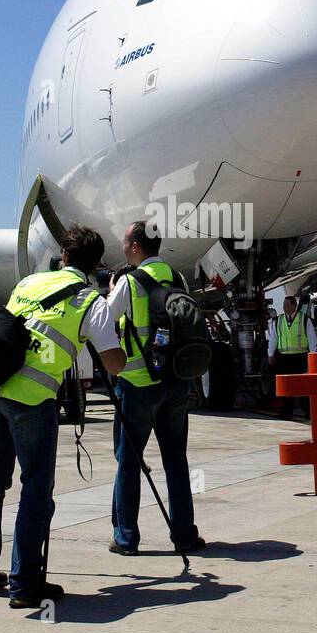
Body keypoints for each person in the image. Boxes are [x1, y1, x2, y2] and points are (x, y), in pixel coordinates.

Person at [0, 225, 126, 608]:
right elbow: (114, 364)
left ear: (64, 257)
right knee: (35, 489)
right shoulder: (91, 301)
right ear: (96, 265)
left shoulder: (28, 283)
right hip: (32, 399)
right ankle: (25, 583)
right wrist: (111, 316)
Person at [105, 220, 204, 556]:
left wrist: (111, 291)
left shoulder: (129, 283)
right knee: (176, 460)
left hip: (137, 385)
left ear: (135, 246)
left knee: (129, 462)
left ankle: (126, 537)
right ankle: (185, 535)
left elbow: (105, 320)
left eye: (124, 240)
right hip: (176, 384)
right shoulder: (178, 278)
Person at [268, 295, 316, 418]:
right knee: (286, 386)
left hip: (300, 357)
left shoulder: (304, 319)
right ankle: (286, 412)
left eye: (288, 305)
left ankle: (308, 411)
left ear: (294, 305)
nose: (285, 307)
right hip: (284, 358)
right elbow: (273, 338)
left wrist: (313, 356)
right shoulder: (278, 320)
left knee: (303, 386)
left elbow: (312, 339)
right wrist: (270, 354)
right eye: (284, 305)